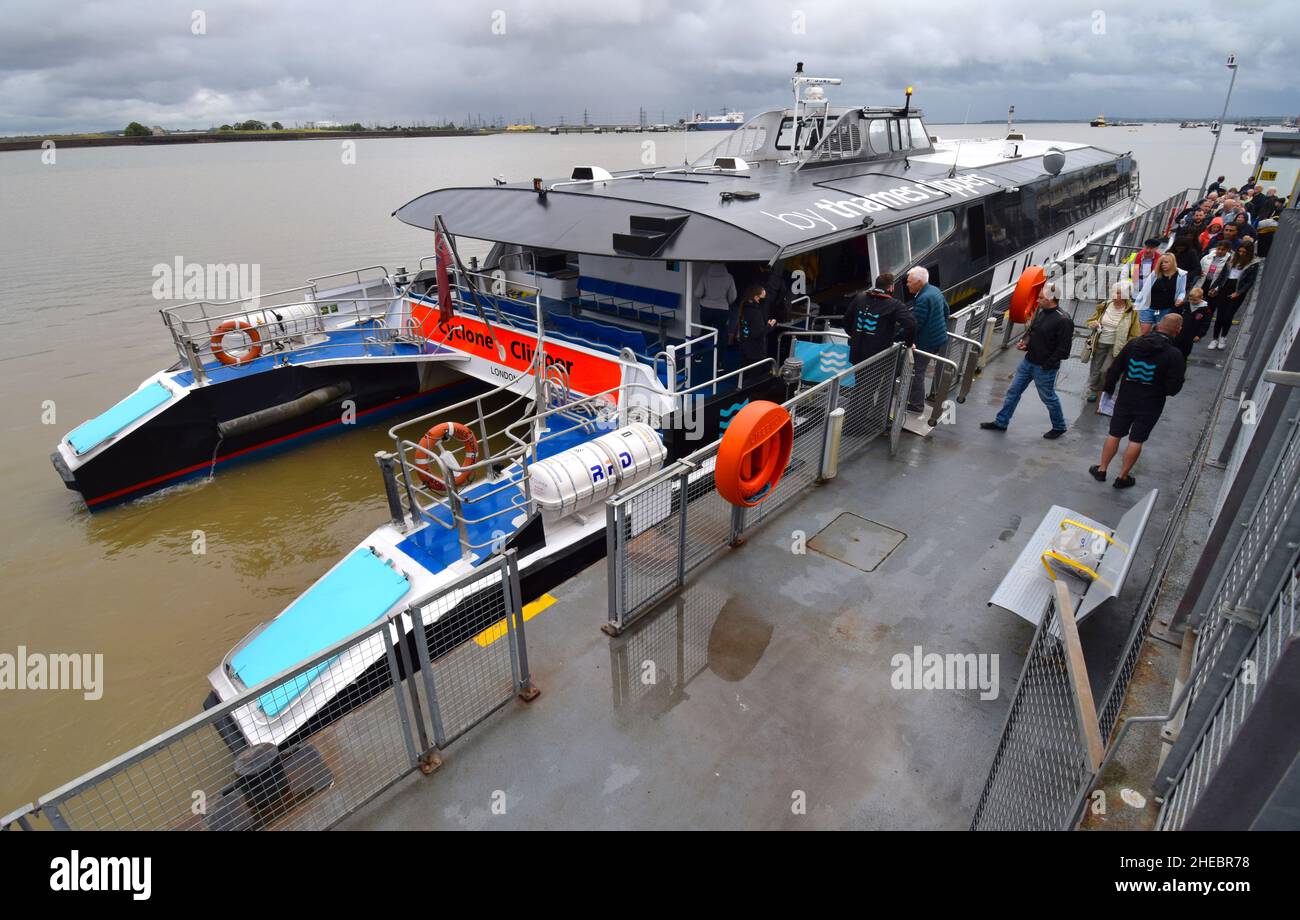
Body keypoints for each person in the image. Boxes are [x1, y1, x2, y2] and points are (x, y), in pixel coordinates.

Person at [1089, 314, 1186, 489]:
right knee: (1136, 439)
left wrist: (1108, 391)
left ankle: (1102, 469)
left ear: (1158, 326)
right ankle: (1122, 477)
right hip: (1151, 401)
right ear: (1177, 331)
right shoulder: (1174, 355)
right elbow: (1173, 388)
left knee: (1115, 433)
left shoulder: (1134, 344)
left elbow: (1115, 369)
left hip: (1127, 396)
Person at [980, 282, 1074, 439]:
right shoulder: (1042, 312)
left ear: (1051, 299)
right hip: (1029, 361)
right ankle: (1001, 421)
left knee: (1048, 397)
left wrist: (1047, 364)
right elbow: (1034, 332)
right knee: (1013, 391)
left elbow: (1064, 350)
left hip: (1044, 367)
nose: (1037, 300)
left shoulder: (1064, 321)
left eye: (1041, 298)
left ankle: (1059, 426)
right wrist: (1026, 344)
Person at [1084, 282, 1142, 403]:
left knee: (1105, 370)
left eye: (1119, 293)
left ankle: (1099, 389)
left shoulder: (1132, 311)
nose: (1115, 295)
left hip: (1116, 346)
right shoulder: (1105, 305)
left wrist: (1127, 346)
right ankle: (1093, 389)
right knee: (1095, 368)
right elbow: (1090, 320)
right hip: (1099, 343)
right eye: (1114, 291)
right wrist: (1093, 324)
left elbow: (1135, 333)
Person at [840, 272, 917, 363]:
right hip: (879, 357)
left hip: (857, 353)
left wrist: (854, 335)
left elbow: (846, 320)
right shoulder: (894, 304)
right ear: (891, 287)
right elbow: (911, 324)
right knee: (876, 377)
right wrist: (909, 343)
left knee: (860, 377)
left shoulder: (860, 298)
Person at [905, 266, 949, 412]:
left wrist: (899, 337)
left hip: (926, 342)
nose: (907, 284)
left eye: (910, 281)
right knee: (918, 370)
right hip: (937, 339)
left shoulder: (923, 298)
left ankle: (916, 405)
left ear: (919, 282)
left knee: (918, 372)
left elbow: (915, 324)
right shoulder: (935, 291)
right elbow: (946, 310)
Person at [1208, 240, 1260, 350]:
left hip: (1237, 289)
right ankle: (1214, 338)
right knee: (1220, 315)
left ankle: (1223, 337)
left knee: (1228, 316)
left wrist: (1239, 292)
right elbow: (1222, 275)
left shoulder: (1253, 263)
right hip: (1225, 287)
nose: (1241, 254)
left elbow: (1250, 281)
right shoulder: (1231, 258)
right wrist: (1215, 287)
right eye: (1239, 251)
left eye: (1244, 252)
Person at [1134, 251, 1187, 333]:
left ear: (1172, 262)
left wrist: (1180, 299)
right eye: (1161, 263)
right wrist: (1137, 303)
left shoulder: (1181, 275)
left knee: (1160, 332)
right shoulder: (1155, 274)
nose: (1163, 264)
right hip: (1148, 307)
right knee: (1143, 333)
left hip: (1165, 308)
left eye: (1166, 262)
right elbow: (1145, 289)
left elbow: (1182, 291)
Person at [734, 284, 775, 367]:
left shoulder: (744, 307)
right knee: (754, 375)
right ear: (756, 297)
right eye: (762, 298)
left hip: (745, 347)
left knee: (744, 371)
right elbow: (758, 333)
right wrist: (770, 325)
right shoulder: (755, 312)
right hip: (755, 351)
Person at [1174, 286, 1212, 358]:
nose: (1192, 302)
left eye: (1195, 300)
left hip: (1191, 334)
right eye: (1190, 299)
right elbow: (1175, 313)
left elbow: (1206, 323)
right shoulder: (1185, 305)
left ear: (1201, 298)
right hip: (1179, 332)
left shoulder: (1205, 309)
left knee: (1185, 352)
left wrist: (1199, 335)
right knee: (1175, 348)